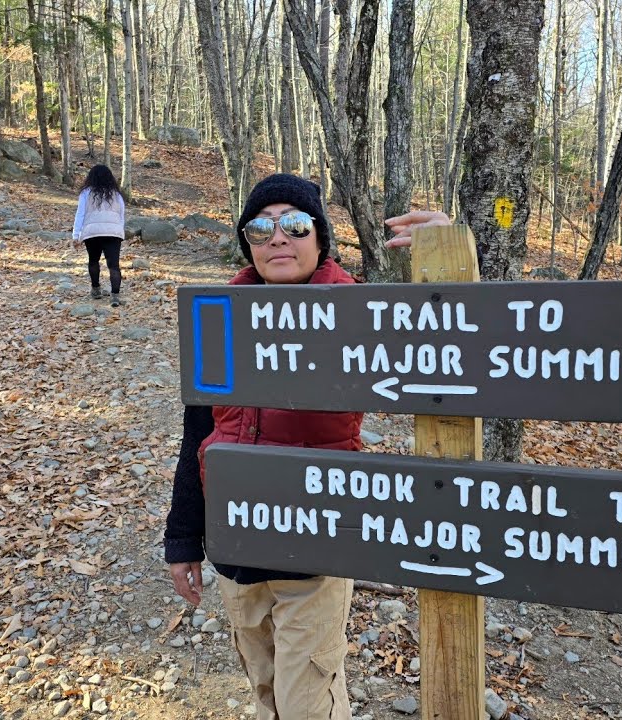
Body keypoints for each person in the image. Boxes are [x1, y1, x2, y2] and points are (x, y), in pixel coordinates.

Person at [164, 173, 448, 720]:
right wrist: (182, 539)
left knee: (307, 706)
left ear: (319, 238)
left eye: (294, 225)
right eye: (260, 228)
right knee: (266, 691)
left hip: (314, 552)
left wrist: (447, 253)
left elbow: (445, 346)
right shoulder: (219, 313)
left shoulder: (355, 312)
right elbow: (199, 432)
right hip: (236, 546)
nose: (278, 237)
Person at [72, 164, 127, 307]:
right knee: (114, 265)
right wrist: (119, 231)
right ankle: (115, 296)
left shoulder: (86, 193)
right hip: (113, 233)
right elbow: (121, 215)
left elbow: (80, 214)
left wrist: (76, 235)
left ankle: (96, 289)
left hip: (92, 232)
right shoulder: (117, 195)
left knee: (93, 261)